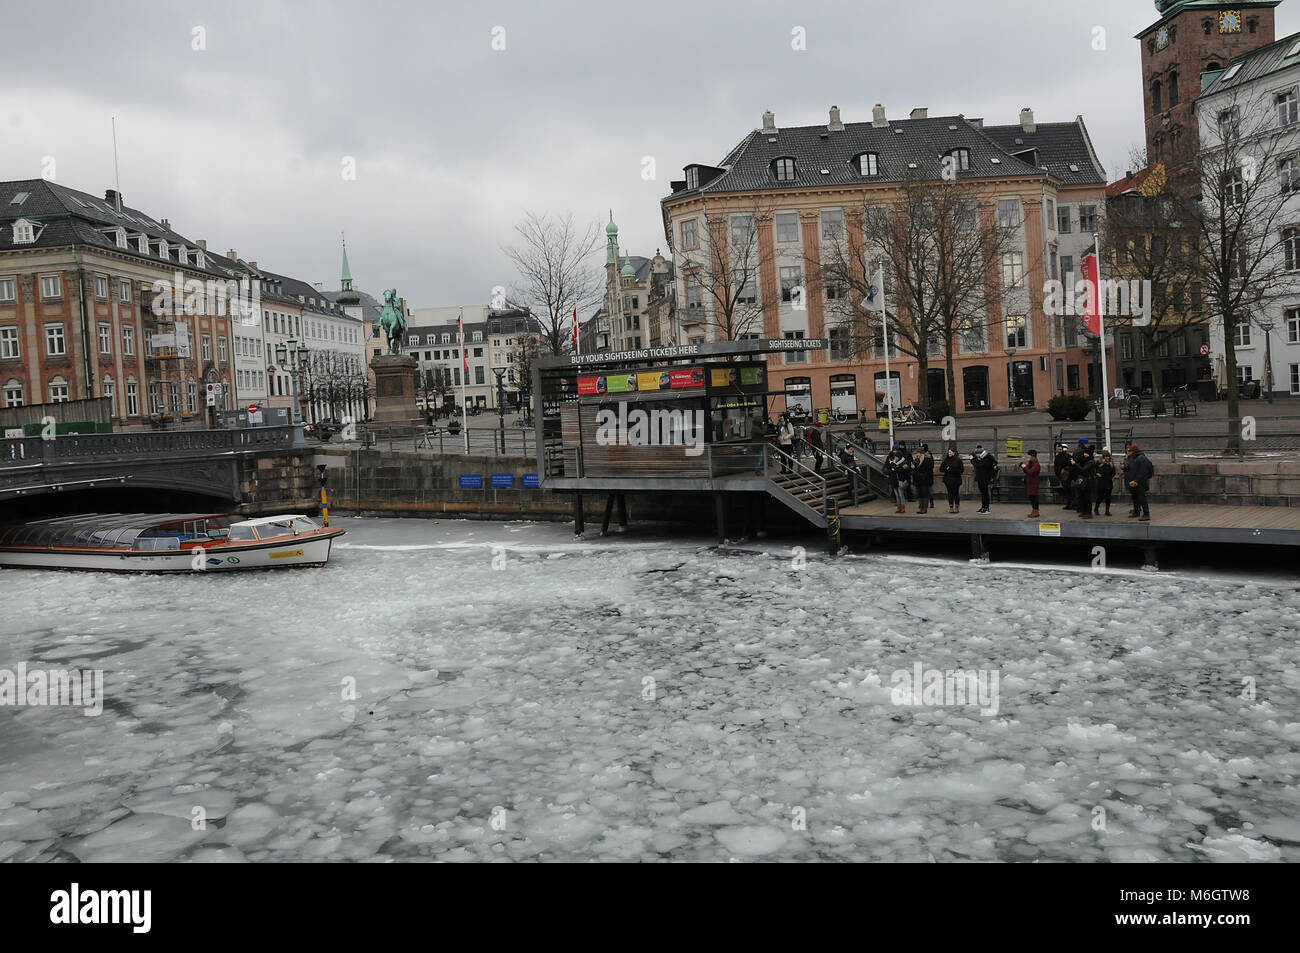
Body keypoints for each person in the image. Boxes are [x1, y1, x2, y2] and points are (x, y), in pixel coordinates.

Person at [1123, 442, 1154, 521]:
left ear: (1133, 451)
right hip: (1133, 481)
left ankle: (1146, 514)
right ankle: (1136, 511)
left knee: (1142, 497)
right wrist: (1124, 464)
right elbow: (1129, 468)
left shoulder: (1141, 458)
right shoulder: (1132, 458)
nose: (1128, 452)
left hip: (1141, 482)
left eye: (1129, 451)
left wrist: (1136, 480)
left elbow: (1143, 471)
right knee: (1135, 497)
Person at [971, 445, 997, 514]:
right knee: (983, 493)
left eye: (977, 454)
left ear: (980, 453)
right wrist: (975, 459)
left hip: (985, 478)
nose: (977, 455)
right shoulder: (982, 458)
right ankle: (983, 507)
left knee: (985, 493)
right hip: (981, 478)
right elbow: (979, 464)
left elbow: (979, 465)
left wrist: (972, 460)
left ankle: (986, 508)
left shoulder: (987, 458)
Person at [1074, 441, 1097, 520]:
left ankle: (1089, 513)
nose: (1084, 454)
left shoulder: (1091, 461)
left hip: (1088, 481)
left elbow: (1084, 470)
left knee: (1087, 498)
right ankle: (1084, 511)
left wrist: (1075, 464)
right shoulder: (1085, 460)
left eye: (1085, 453)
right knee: (1083, 497)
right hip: (1084, 481)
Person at [940, 447, 964, 513]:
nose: (949, 453)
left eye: (950, 452)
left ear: (954, 453)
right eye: (948, 452)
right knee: (950, 493)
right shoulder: (946, 460)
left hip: (956, 479)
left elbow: (962, 470)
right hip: (948, 479)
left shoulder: (958, 460)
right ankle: (951, 507)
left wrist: (953, 470)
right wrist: (946, 469)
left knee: (956, 493)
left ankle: (956, 507)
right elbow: (941, 469)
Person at [912, 444, 935, 514]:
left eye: (918, 453)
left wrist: (922, 476)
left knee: (925, 493)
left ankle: (924, 509)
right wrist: (913, 467)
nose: (917, 454)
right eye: (916, 453)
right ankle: (921, 508)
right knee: (919, 494)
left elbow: (929, 471)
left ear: (922, 453)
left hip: (925, 480)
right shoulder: (916, 460)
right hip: (918, 480)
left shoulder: (928, 460)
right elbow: (915, 470)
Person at [1020, 449, 1042, 518]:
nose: (1028, 457)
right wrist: (1024, 467)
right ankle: (1034, 510)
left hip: (1033, 483)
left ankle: (1036, 511)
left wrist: (1024, 467)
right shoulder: (1031, 464)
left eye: (1029, 456)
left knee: (1034, 498)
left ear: (1032, 456)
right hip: (1030, 483)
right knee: (1031, 498)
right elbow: (1028, 472)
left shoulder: (1036, 465)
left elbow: (1030, 472)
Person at [1095, 450, 1116, 516]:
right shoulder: (1099, 463)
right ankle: (1096, 508)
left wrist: (1112, 466)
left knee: (1108, 497)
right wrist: (1102, 465)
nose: (1107, 458)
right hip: (1101, 482)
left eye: (1108, 456)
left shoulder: (1111, 464)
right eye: (1106, 457)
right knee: (1100, 497)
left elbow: (1113, 473)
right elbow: (1096, 471)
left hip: (1108, 482)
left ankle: (1107, 511)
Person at [1054, 443, 1074, 508]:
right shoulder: (1058, 457)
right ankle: (1069, 504)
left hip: (1067, 476)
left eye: (1060, 449)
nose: (1059, 450)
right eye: (1058, 449)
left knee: (1068, 490)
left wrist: (1065, 469)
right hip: (1062, 475)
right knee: (1066, 490)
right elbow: (1056, 465)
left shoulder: (1067, 456)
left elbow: (1071, 466)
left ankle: (1070, 504)